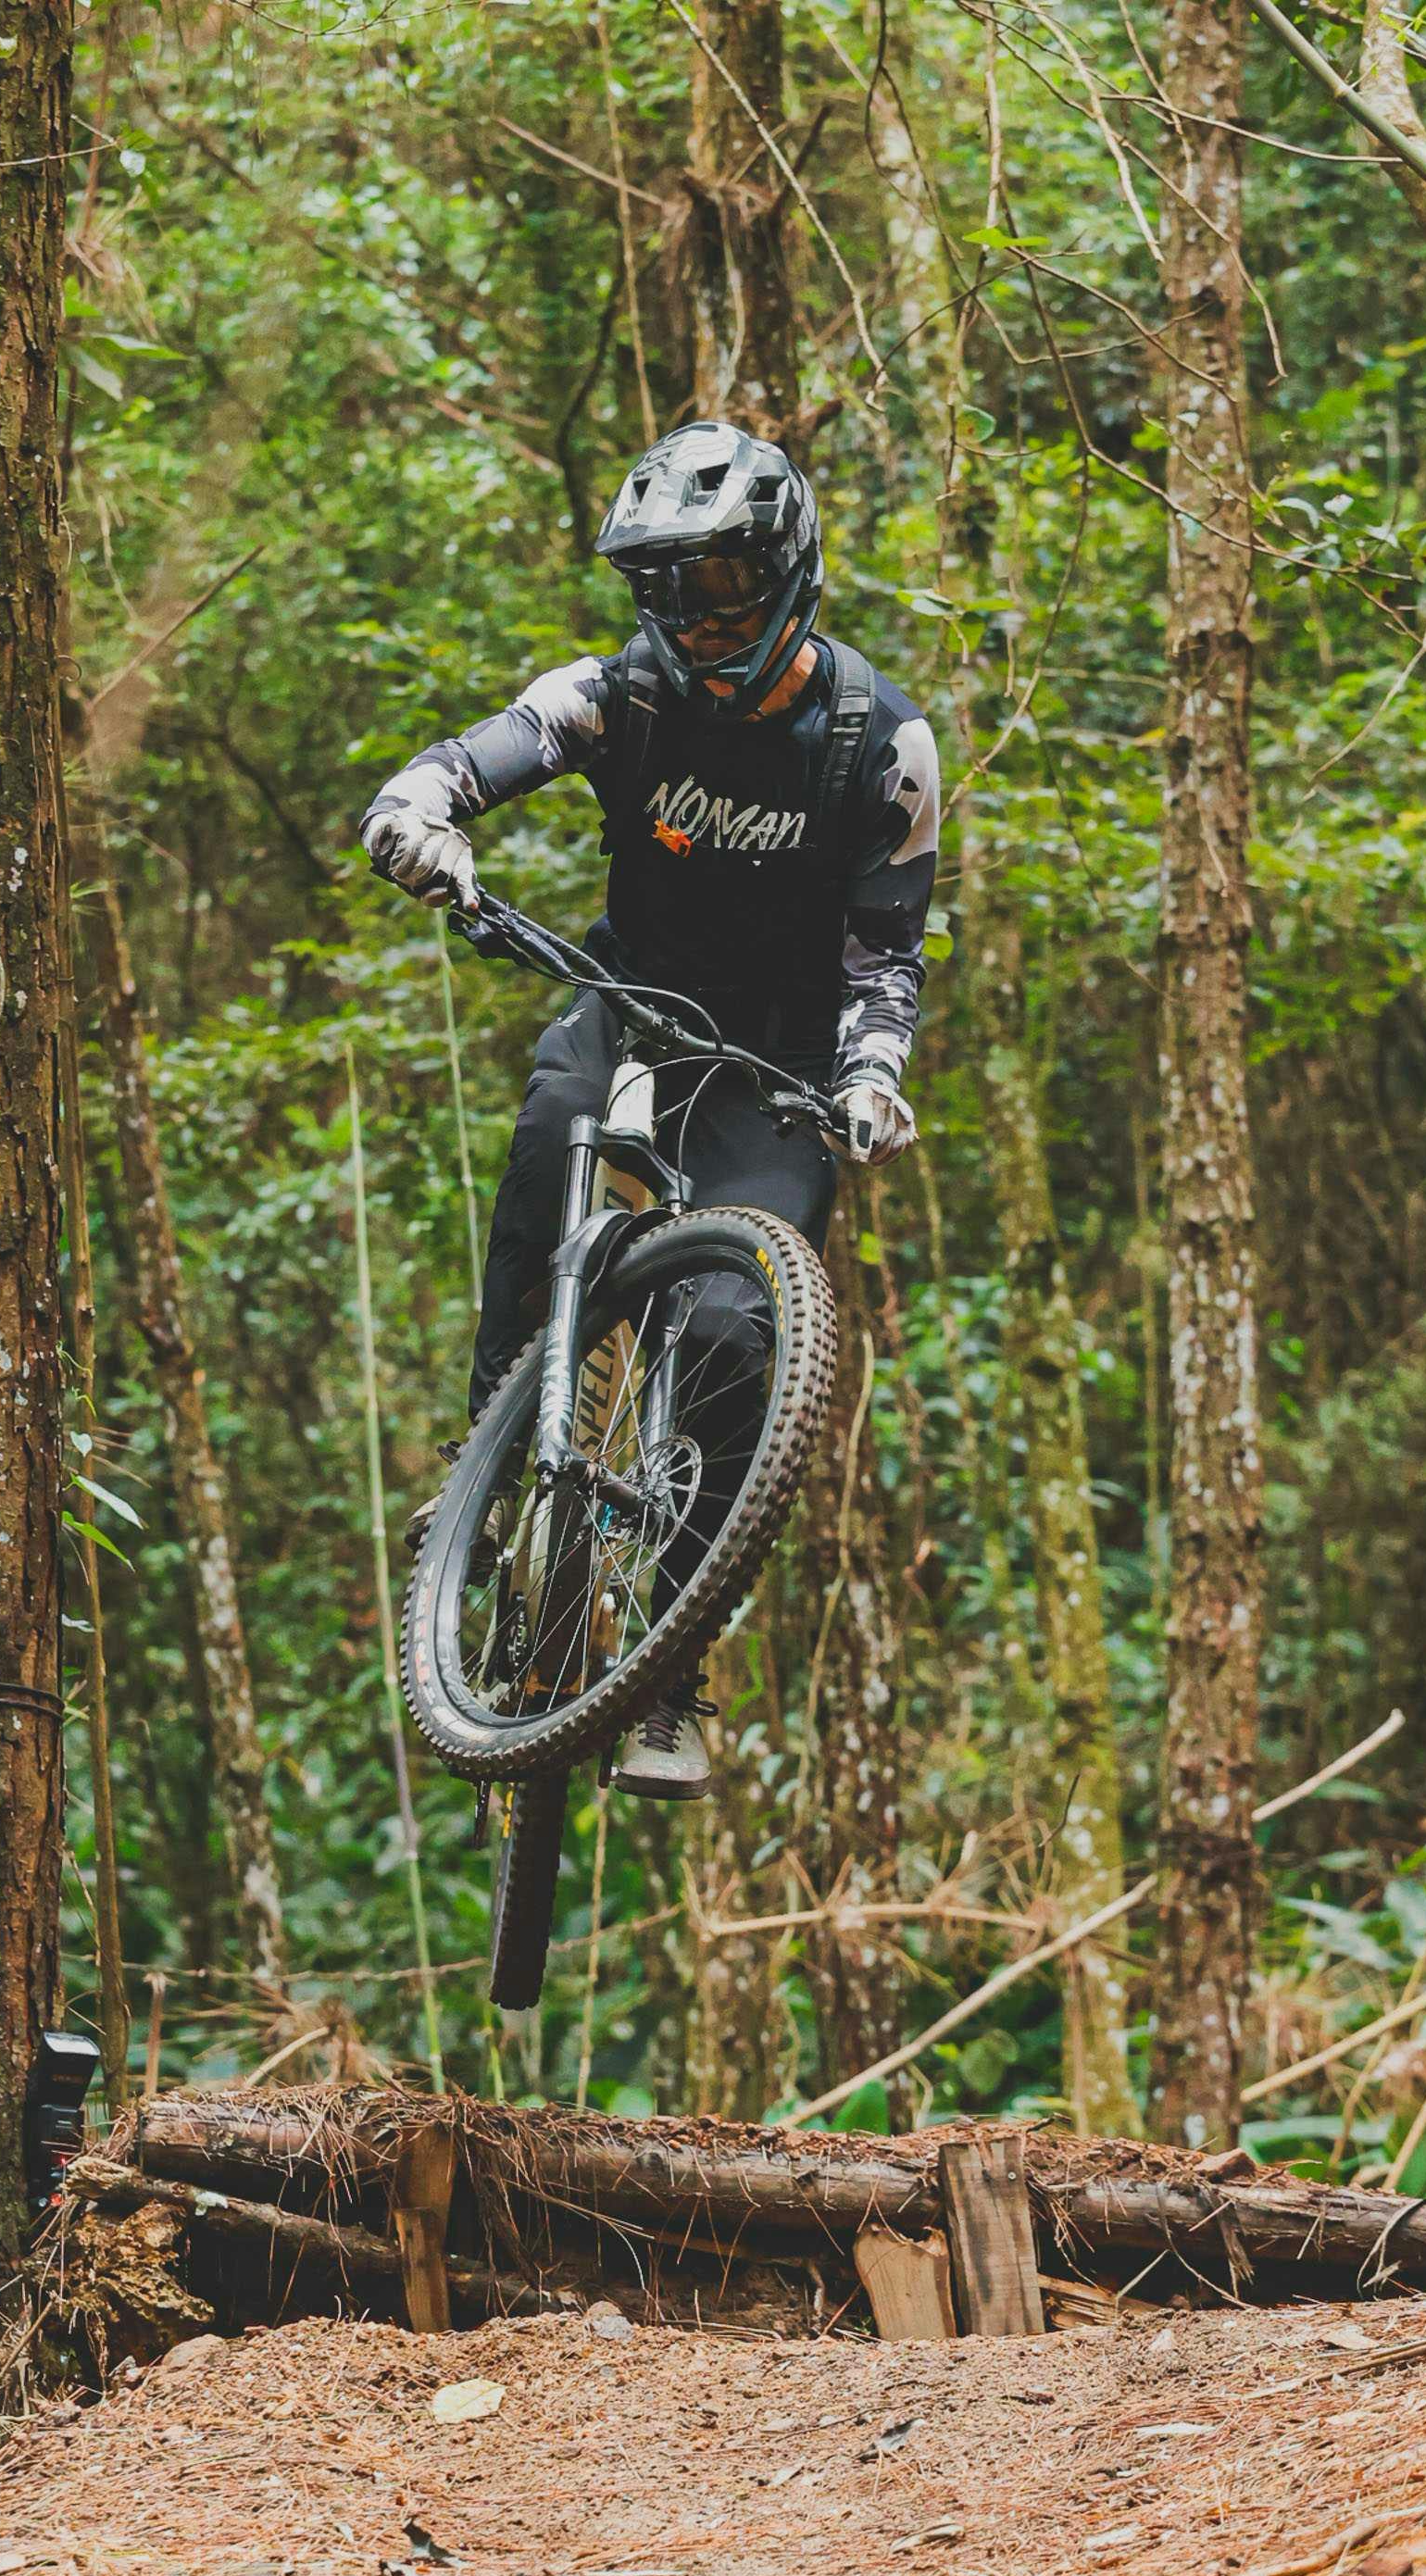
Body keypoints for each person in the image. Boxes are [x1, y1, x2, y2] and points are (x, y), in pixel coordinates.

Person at [361, 419, 941, 1800]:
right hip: (632, 1005)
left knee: (739, 1329)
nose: (700, 618)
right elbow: (482, 751)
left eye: (727, 583)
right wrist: (419, 811)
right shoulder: (616, 695)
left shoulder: (881, 740)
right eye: (670, 590)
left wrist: (872, 1076)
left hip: (781, 1064)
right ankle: (491, 1460)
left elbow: (887, 950)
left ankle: (670, 1665)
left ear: (787, 565)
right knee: (548, 1135)